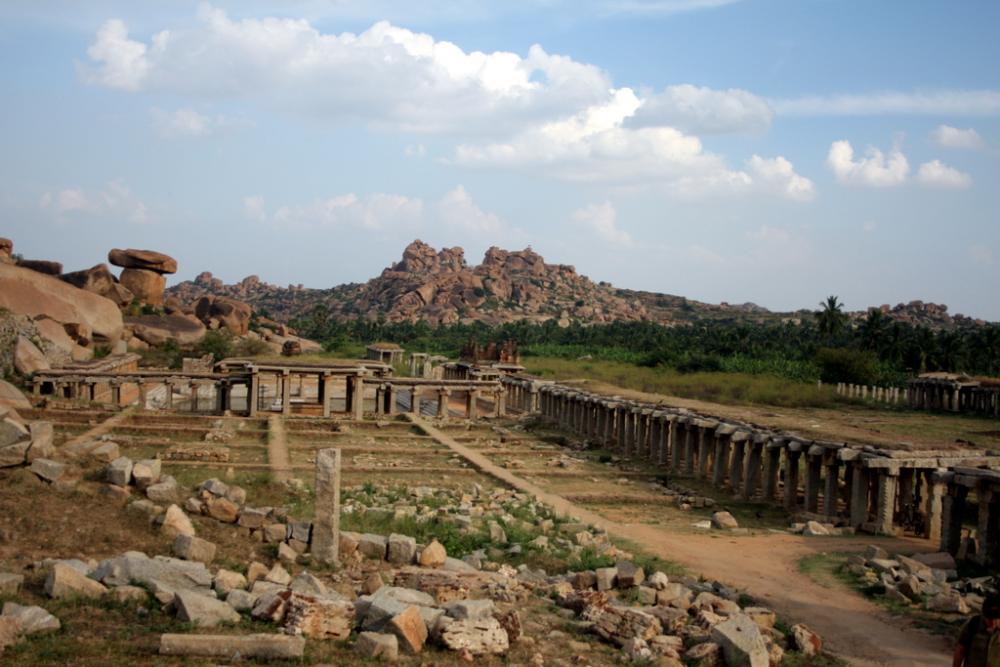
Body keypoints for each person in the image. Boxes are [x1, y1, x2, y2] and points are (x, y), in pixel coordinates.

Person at [954, 592, 1000, 667]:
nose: (993, 622)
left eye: (996, 618)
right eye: (989, 618)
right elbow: (960, 650)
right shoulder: (973, 624)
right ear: (984, 614)